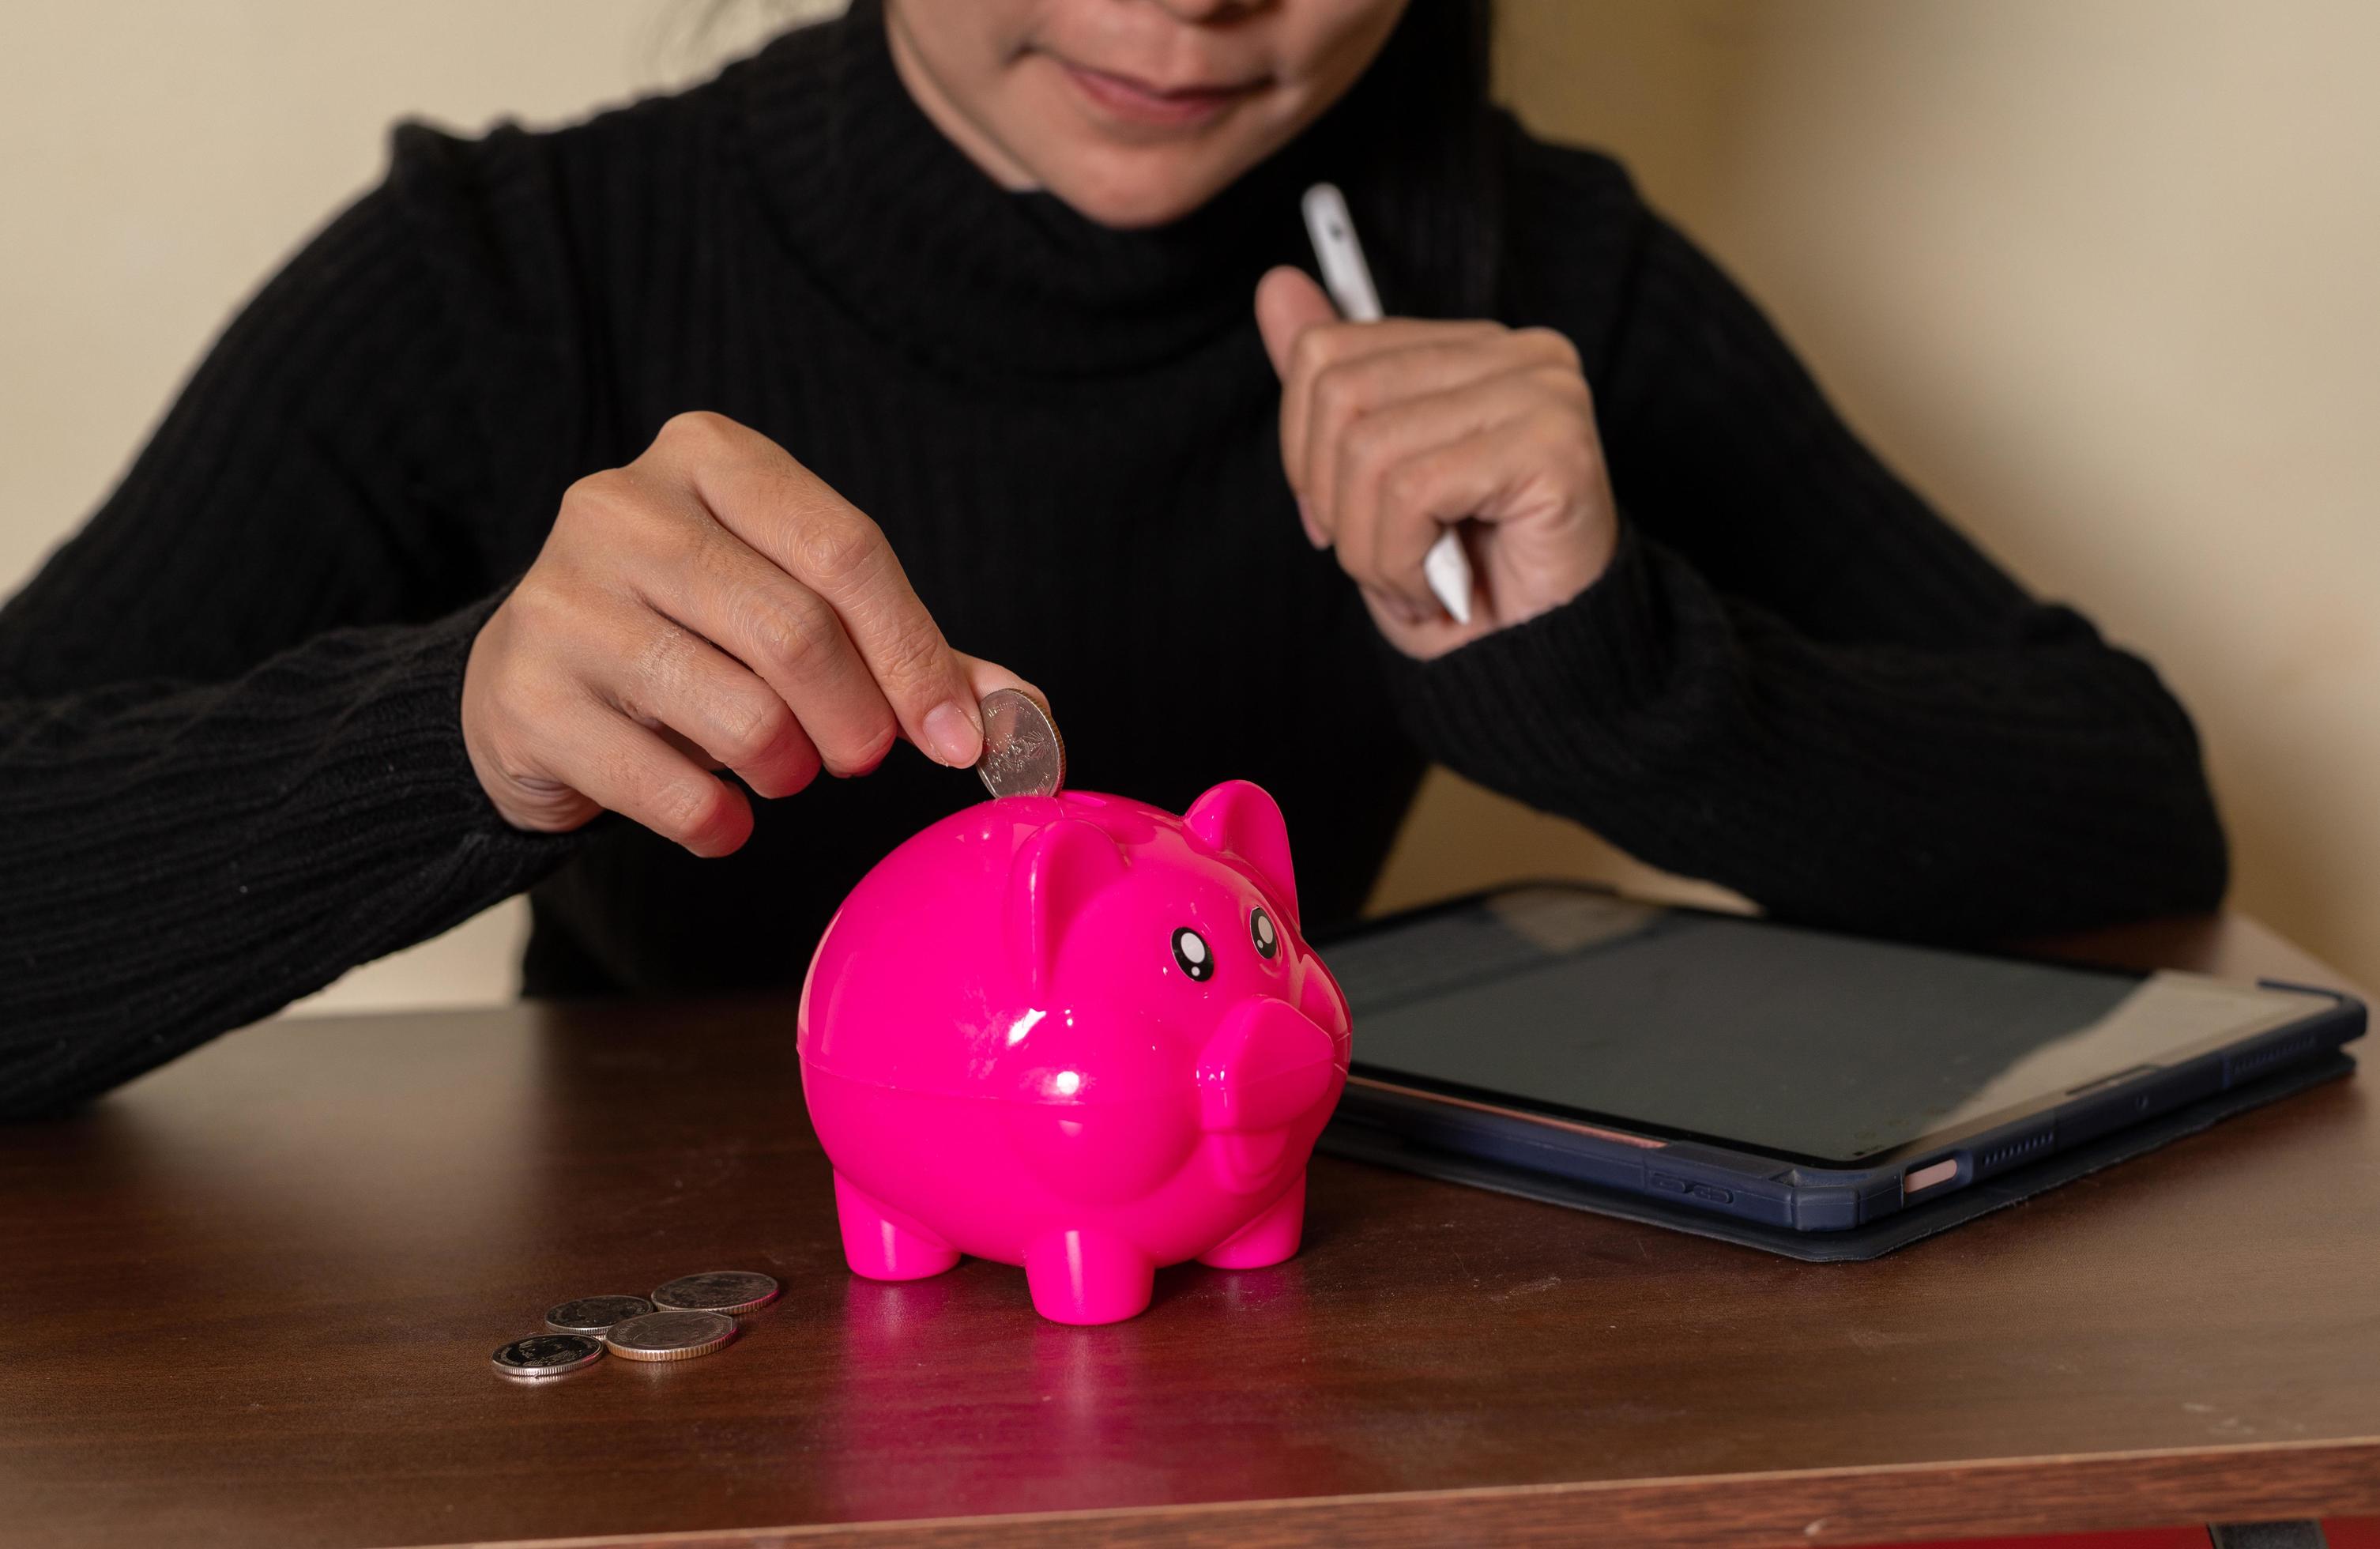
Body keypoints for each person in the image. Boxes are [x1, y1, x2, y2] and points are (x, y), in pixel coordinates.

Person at [0, 0, 2226, 1118]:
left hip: (1277, 1378)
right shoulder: (507, 278)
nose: (1182, 21)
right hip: (668, 1411)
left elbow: (2128, 806)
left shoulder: (1516, 272)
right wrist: (453, 734)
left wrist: (1608, 666)